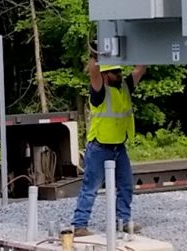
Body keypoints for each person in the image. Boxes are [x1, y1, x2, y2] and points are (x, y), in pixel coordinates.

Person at [71, 55, 146, 237]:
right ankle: (79, 225)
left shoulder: (125, 87)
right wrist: (94, 55)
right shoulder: (100, 91)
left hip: (119, 148)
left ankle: (123, 222)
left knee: (126, 186)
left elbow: (140, 68)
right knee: (91, 188)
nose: (119, 74)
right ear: (105, 75)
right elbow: (93, 72)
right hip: (99, 148)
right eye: (114, 72)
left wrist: (145, 47)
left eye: (119, 71)